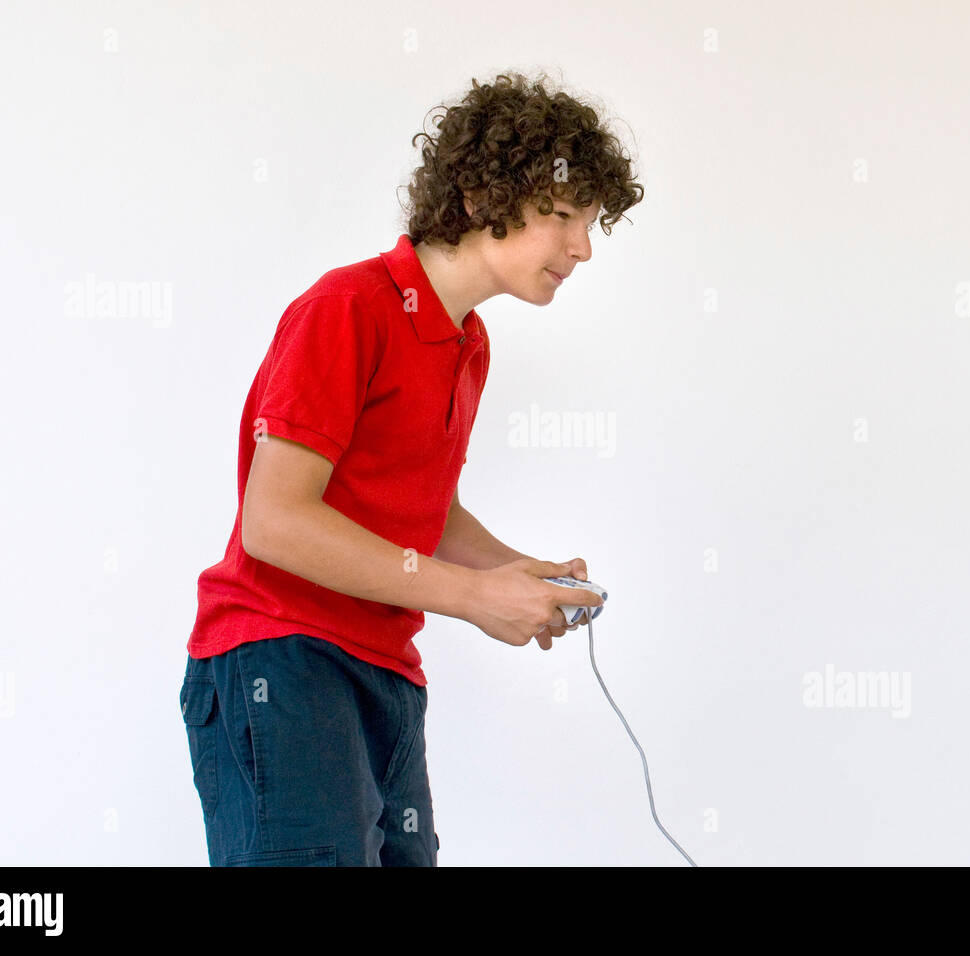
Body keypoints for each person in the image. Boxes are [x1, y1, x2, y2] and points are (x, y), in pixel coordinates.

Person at [178, 71, 644, 866]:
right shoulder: (350, 308)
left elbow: (425, 504)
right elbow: (275, 520)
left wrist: (514, 570)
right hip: (283, 661)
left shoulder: (467, 343)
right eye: (563, 216)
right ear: (477, 197)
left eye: (592, 223)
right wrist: (472, 596)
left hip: (385, 674)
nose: (583, 247)